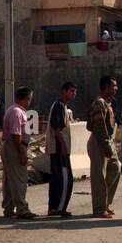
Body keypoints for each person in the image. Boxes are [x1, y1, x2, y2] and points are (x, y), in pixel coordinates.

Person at [88, 76, 121, 218]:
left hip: (108, 142)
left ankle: (106, 203)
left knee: (116, 168)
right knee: (99, 176)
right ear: (106, 87)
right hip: (99, 142)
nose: (116, 88)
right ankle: (99, 208)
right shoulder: (99, 103)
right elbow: (99, 127)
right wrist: (106, 146)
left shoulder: (109, 103)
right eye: (113, 86)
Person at [2, 87, 37, 219]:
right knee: (19, 179)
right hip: (15, 146)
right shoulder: (17, 112)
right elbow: (16, 134)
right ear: (26, 98)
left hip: (11, 145)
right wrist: (21, 152)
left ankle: (9, 208)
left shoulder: (13, 110)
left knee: (9, 179)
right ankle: (22, 208)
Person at [46, 82, 77, 218]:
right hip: (59, 150)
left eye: (75, 92)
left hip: (59, 149)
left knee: (57, 179)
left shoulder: (62, 106)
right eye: (71, 91)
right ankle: (59, 208)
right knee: (65, 180)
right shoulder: (59, 106)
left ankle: (54, 207)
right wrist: (64, 147)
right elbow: (57, 129)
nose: (73, 94)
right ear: (64, 91)